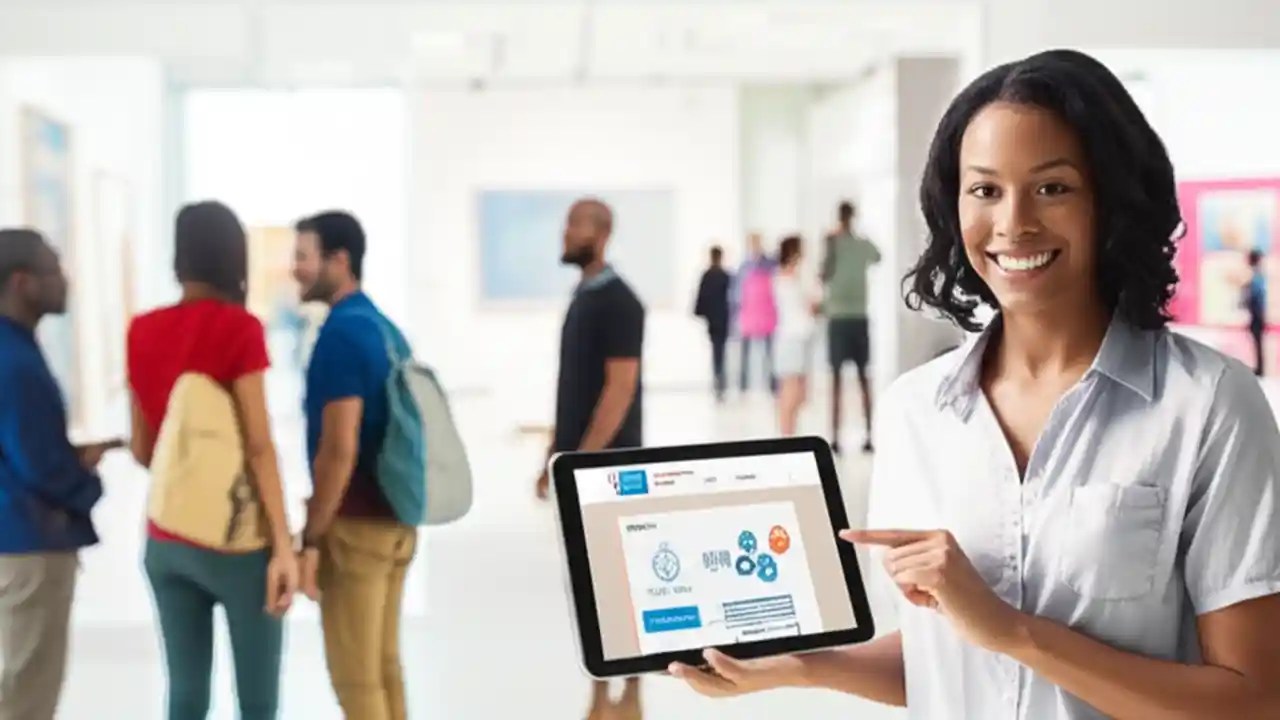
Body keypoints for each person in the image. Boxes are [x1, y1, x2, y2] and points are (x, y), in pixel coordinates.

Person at [672, 49, 1280, 719]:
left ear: (1111, 200)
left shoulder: (1208, 405)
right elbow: (951, 659)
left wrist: (1012, 631)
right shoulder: (915, 411)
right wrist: (804, 666)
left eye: (1053, 188)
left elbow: (1252, 699)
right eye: (985, 190)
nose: (1013, 223)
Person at [128, 202, 297, 720]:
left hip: (166, 540)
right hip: (238, 547)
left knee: (185, 695)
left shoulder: (142, 330)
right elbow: (260, 445)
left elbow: (144, 451)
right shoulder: (238, 328)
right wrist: (284, 547)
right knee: (258, 702)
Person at [292, 211, 417, 720]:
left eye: (303, 256)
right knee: (384, 667)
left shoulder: (341, 335)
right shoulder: (385, 328)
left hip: (355, 527)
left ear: (338, 261)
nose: (295, 269)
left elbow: (338, 448)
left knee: (355, 680)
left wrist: (312, 536)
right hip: (399, 519)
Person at [533, 198, 645, 720]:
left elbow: (619, 388)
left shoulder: (620, 301)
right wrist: (550, 459)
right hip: (580, 462)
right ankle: (602, 689)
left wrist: (582, 461)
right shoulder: (583, 296)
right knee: (588, 580)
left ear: (601, 233)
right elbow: (571, 389)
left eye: (573, 224)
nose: (564, 233)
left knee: (619, 578)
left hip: (610, 467)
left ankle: (630, 692)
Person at [0, 229, 109, 720]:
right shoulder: (15, 361)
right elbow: (38, 464)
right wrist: (89, 486)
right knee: (27, 693)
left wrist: (69, 455)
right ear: (22, 282)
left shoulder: (15, 348)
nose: (64, 280)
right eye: (54, 270)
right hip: (31, 545)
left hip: (17, 537)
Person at [821, 200, 881, 454]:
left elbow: (822, 274)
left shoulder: (835, 243)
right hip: (854, 316)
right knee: (861, 378)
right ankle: (865, 435)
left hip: (841, 317)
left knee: (839, 380)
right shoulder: (855, 244)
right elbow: (878, 256)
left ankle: (838, 437)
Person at [772, 235, 821, 436]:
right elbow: (810, 305)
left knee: (800, 393)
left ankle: (790, 433)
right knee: (790, 390)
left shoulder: (795, 277)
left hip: (801, 337)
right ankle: (786, 435)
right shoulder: (787, 278)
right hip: (792, 338)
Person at [733, 232, 778, 394]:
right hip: (748, 315)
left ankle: (773, 383)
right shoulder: (743, 266)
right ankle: (743, 385)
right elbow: (737, 294)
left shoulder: (771, 264)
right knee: (744, 353)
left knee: (770, 352)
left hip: (767, 315)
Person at [693, 245, 731, 401]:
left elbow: (701, 298)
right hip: (722, 318)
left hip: (713, 319)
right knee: (720, 350)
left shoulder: (708, 275)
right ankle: (720, 380)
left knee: (717, 351)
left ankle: (718, 380)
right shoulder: (725, 276)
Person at [1244, 250, 1266, 375]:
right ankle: (1259, 367)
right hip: (1257, 313)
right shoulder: (1257, 274)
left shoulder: (1256, 275)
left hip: (1257, 314)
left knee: (1258, 342)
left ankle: (1260, 368)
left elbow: (1256, 295)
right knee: (1258, 342)